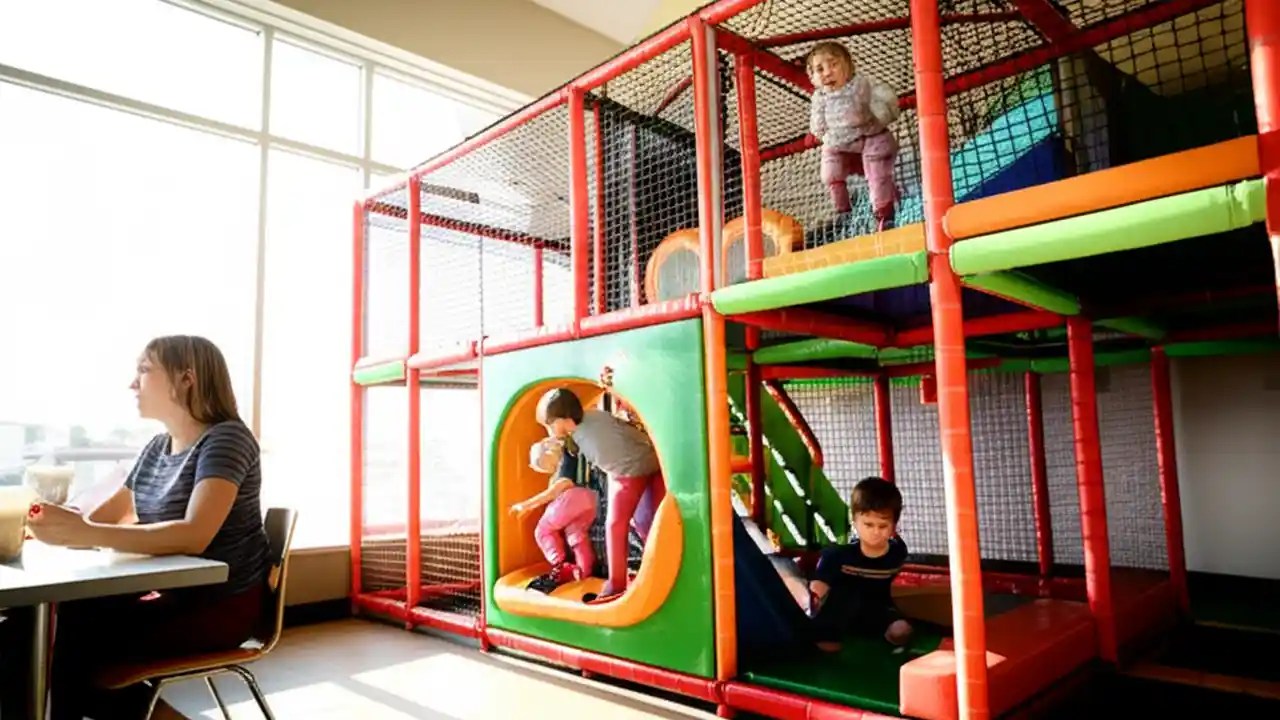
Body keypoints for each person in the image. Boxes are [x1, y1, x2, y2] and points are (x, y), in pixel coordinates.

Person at [22, 335, 271, 720]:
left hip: (221, 606)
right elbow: (104, 517)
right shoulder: (157, 447)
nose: (132, 383)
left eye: (143, 370)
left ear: (186, 378)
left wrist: (85, 533)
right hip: (175, 596)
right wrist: (44, 525)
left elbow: (194, 534)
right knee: (40, 630)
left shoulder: (226, 439)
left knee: (62, 648)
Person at [535, 385, 663, 601]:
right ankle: (651, 569)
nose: (549, 431)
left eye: (550, 425)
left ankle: (616, 583)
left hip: (632, 470)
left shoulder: (588, 436)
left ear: (563, 419)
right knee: (643, 522)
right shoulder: (591, 419)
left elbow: (618, 465)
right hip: (641, 462)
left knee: (615, 525)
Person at [808, 476, 913, 652]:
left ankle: (879, 643)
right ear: (855, 520)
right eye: (868, 524)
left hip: (877, 611)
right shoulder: (838, 555)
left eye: (883, 526)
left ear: (894, 524)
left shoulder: (897, 553)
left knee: (902, 631)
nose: (875, 532)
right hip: (840, 613)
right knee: (827, 642)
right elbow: (818, 589)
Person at [807, 40, 901, 231]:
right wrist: (821, 133)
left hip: (870, 136)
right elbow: (817, 125)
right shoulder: (819, 98)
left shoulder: (860, 85)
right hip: (840, 142)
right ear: (813, 77)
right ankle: (844, 211)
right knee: (830, 173)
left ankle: (884, 213)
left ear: (848, 67)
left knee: (877, 174)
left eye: (833, 64)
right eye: (820, 69)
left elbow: (883, 100)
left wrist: (883, 111)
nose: (827, 72)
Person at [513, 437, 599, 593]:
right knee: (576, 535)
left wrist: (527, 504)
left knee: (543, 530)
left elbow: (557, 489)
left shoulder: (565, 464)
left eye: (542, 463)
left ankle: (560, 564)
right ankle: (584, 572)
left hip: (573, 497)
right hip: (592, 499)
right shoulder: (575, 456)